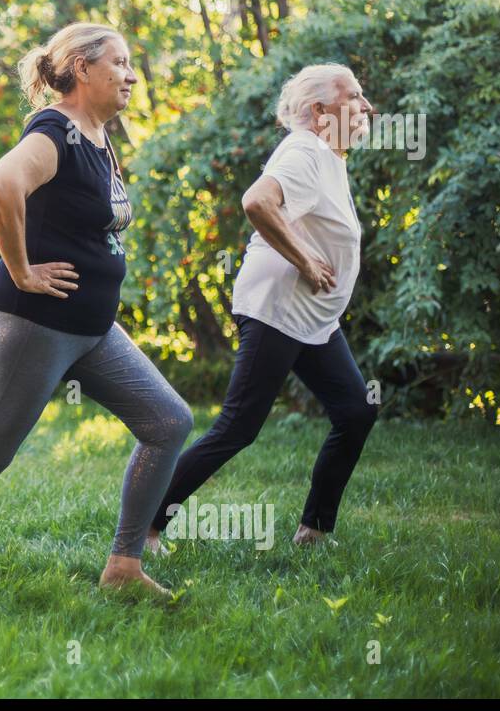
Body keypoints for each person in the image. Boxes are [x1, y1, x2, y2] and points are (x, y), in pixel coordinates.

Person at [0, 23, 193, 597]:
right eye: (118, 63)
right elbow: (1, 187)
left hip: (92, 329)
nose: (131, 74)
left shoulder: (98, 137)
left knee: (167, 422)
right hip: (35, 326)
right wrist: (21, 270)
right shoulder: (55, 131)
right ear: (80, 69)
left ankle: (123, 568)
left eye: (130, 63)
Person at [146, 64, 378, 553]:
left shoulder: (327, 155)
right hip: (278, 312)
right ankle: (143, 529)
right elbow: (257, 202)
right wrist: (306, 262)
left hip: (312, 321)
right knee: (237, 428)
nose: (367, 106)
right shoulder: (305, 149)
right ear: (320, 111)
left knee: (356, 411)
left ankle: (313, 532)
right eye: (354, 96)